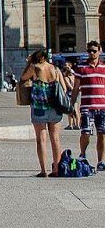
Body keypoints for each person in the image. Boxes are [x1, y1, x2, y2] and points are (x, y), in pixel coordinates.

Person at [21, 49, 67, 177]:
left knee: (41, 139)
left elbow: (23, 77)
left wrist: (28, 63)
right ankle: (56, 169)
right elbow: (64, 88)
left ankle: (43, 170)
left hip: (39, 107)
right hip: (55, 107)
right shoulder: (56, 70)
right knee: (55, 139)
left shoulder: (34, 68)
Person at [76, 41, 105, 167]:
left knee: (102, 134)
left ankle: (101, 161)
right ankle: (82, 154)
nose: (91, 53)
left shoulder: (104, 68)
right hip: (87, 106)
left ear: (100, 51)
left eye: (94, 51)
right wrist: (72, 105)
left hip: (103, 106)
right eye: (89, 51)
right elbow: (76, 88)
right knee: (86, 133)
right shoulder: (81, 68)